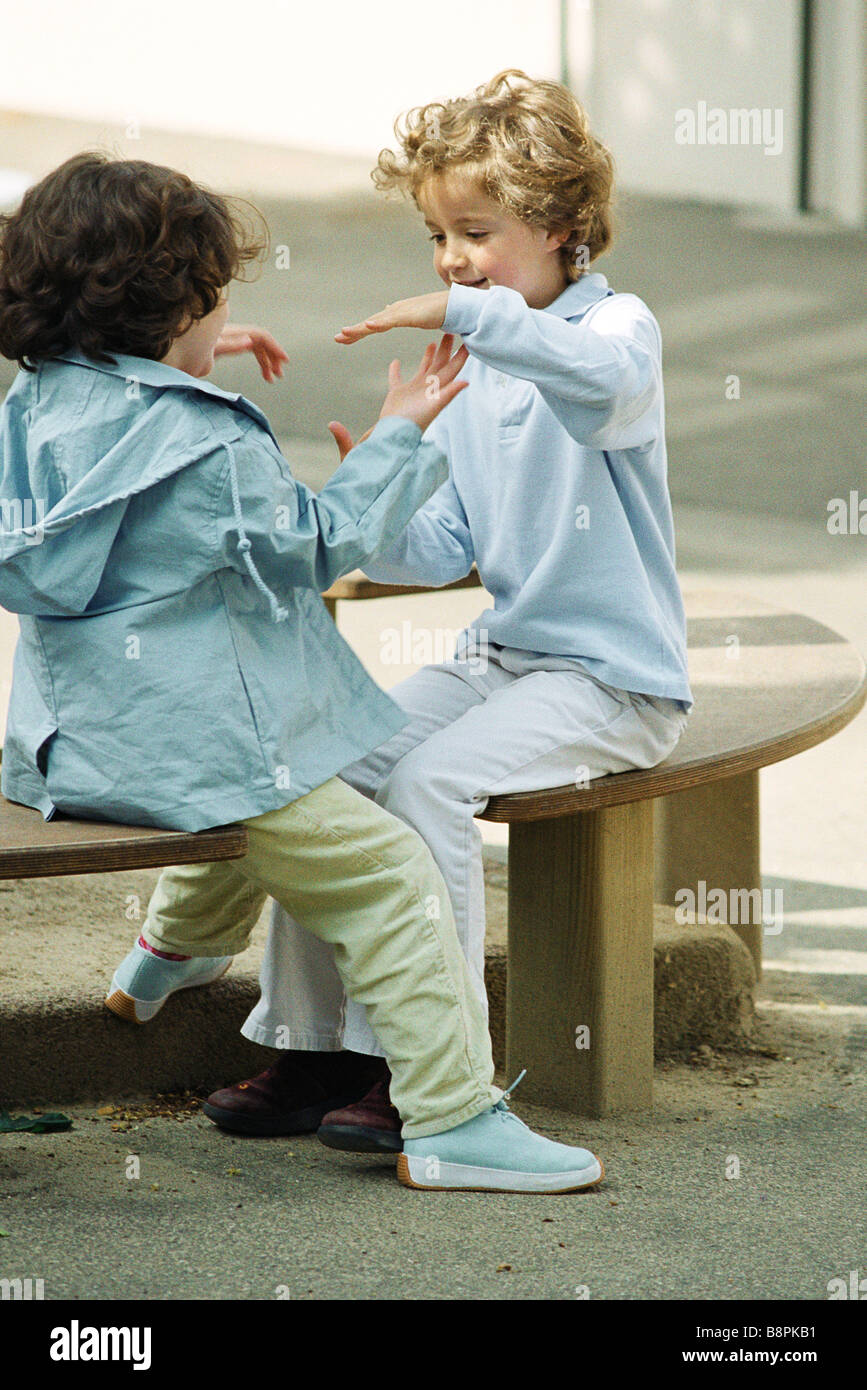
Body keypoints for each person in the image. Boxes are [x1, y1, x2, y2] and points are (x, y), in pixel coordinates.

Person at [0, 150, 605, 1193]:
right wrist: (399, 435)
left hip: (71, 750)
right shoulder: (206, 441)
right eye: (214, 297)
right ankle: (454, 1116)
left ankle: (166, 955)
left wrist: (173, 361)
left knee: (260, 791)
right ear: (179, 306)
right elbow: (318, 543)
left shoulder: (34, 403)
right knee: (383, 870)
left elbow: (118, 426)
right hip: (205, 748)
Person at [197, 68, 694, 1154]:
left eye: (474, 231)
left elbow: (600, 393)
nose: (451, 261)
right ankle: (319, 1045)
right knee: (331, 769)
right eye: (438, 238)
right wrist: (382, 480)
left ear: (562, 224)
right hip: (507, 655)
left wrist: (465, 308)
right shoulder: (475, 359)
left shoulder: (616, 330)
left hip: (613, 679)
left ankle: (437, 1067)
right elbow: (445, 550)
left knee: (430, 780)